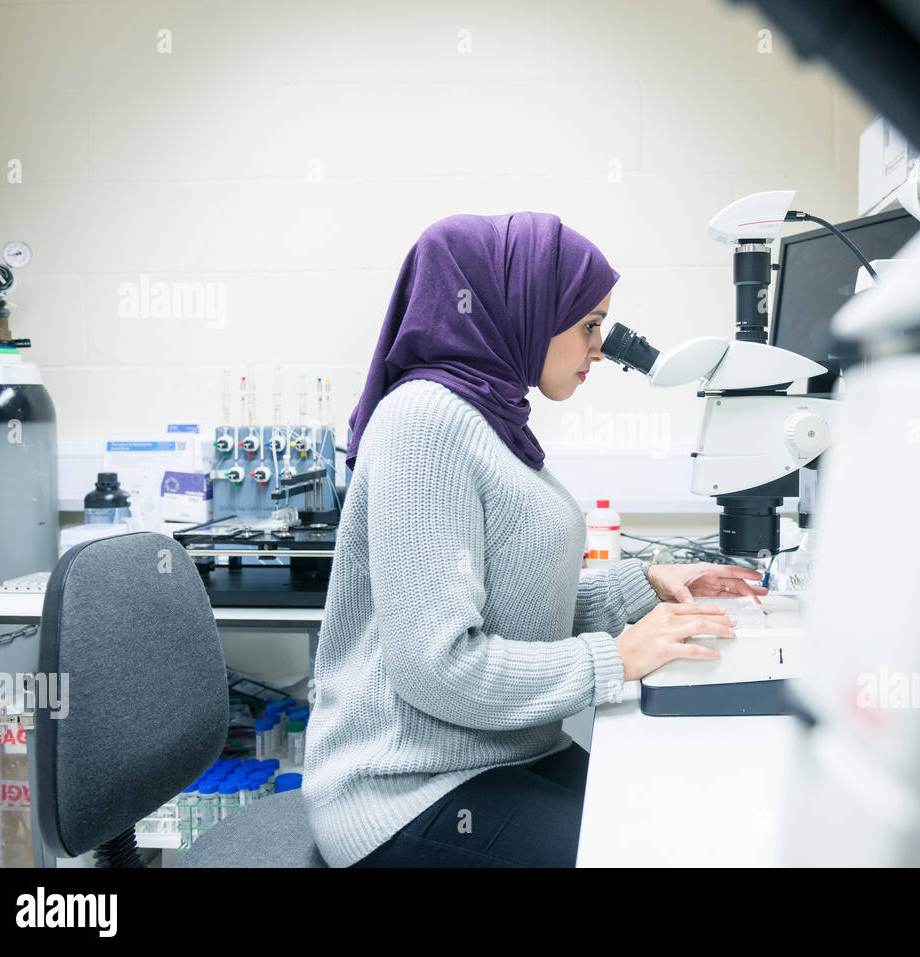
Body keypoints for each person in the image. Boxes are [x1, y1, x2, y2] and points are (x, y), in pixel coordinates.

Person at [303, 211, 767, 867]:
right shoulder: (426, 420)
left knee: (685, 817)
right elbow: (439, 666)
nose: (601, 349)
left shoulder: (491, 416)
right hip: (405, 791)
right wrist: (615, 659)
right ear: (523, 306)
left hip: (501, 756)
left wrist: (643, 585)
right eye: (589, 324)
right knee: (652, 851)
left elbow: (505, 603)